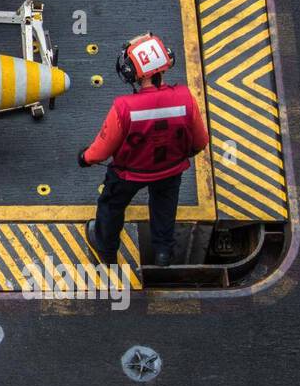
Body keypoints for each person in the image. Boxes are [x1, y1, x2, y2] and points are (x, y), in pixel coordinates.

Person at [79, 33, 209, 267]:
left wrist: (85, 158)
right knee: (164, 208)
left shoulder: (124, 107)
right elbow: (200, 142)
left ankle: (107, 252)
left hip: (128, 173)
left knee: (111, 206)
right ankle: (162, 253)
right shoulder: (185, 98)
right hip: (170, 170)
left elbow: (102, 149)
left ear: (132, 73)